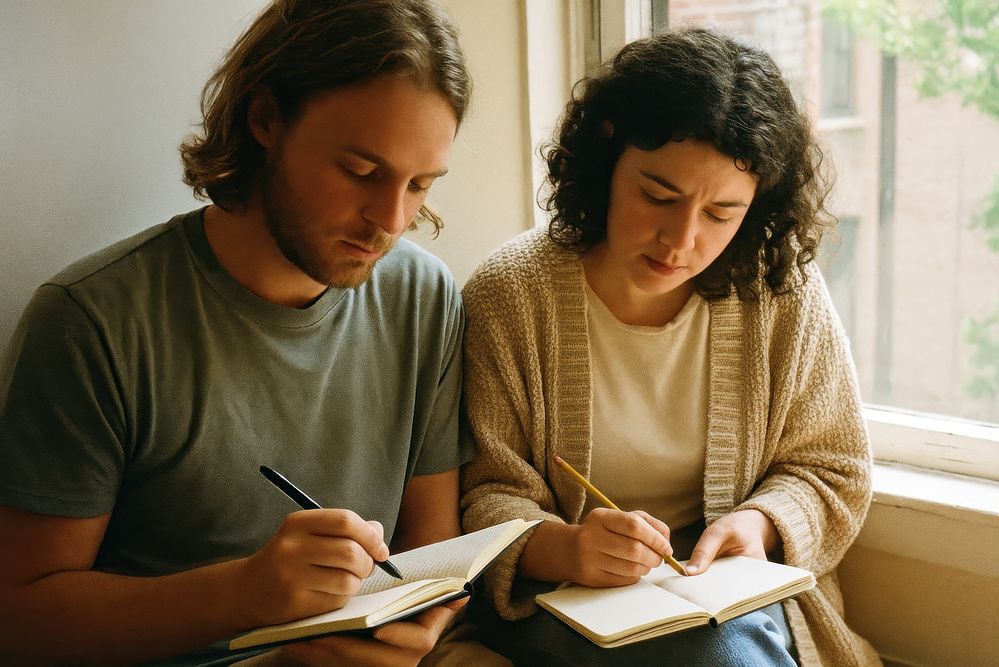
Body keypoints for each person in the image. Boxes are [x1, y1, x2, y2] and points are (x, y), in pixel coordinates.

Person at [0, 1, 475, 664]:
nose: (389, 220)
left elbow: (433, 549)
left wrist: (422, 627)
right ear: (265, 119)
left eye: (420, 185)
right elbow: (20, 620)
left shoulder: (423, 297)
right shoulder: (94, 320)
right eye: (360, 172)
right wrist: (246, 592)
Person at [460, 28, 881, 666]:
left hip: (728, 598)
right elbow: (485, 490)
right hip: (564, 596)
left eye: (721, 214)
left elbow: (833, 466)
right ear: (605, 163)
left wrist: (760, 525)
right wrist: (567, 547)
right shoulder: (510, 295)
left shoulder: (779, 292)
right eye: (657, 196)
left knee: (731, 652)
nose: (680, 240)